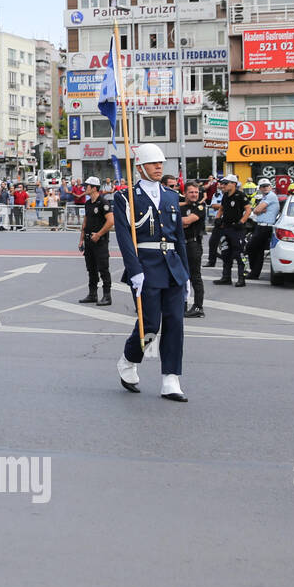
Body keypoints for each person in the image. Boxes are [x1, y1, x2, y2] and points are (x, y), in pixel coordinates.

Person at [112, 144, 190, 402]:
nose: (159, 167)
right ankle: (129, 358)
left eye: (161, 163)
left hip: (173, 267)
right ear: (140, 167)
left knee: (175, 322)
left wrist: (187, 275)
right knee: (151, 325)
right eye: (153, 163)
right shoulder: (125, 197)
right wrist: (134, 270)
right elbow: (125, 237)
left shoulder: (170, 196)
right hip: (146, 267)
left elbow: (179, 237)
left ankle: (170, 378)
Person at [77, 176, 113, 306]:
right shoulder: (88, 203)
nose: (84, 188)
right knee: (91, 269)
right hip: (88, 241)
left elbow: (111, 221)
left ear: (93, 188)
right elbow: (85, 222)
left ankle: (107, 296)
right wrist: (81, 239)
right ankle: (92, 294)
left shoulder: (103, 202)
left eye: (86, 186)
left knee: (103, 268)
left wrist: (99, 234)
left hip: (100, 241)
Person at [213, 174, 251, 288]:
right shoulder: (225, 196)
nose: (223, 185)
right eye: (222, 183)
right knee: (225, 253)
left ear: (234, 184)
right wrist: (217, 219)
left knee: (239, 254)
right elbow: (221, 208)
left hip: (237, 229)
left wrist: (242, 222)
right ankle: (226, 277)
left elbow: (248, 210)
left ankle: (241, 278)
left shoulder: (240, 195)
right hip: (226, 228)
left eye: (226, 183)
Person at [181, 181, 206, 318]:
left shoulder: (200, 207)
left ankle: (198, 307)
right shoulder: (182, 206)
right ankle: (182, 304)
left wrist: (175, 220)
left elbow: (187, 221)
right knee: (181, 276)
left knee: (195, 276)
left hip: (193, 245)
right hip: (181, 245)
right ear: (185, 193)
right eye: (191, 192)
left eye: (196, 192)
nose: (194, 195)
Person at [246, 178, 280, 280]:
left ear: (270, 186)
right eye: (263, 186)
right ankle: (254, 273)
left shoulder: (270, 196)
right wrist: (260, 209)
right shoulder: (265, 197)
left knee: (251, 248)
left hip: (265, 227)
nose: (265, 188)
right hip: (261, 225)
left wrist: (260, 209)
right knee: (258, 251)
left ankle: (254, 272)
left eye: (267, 186)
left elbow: (257, 210)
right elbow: (258, 210)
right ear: (260, 188)